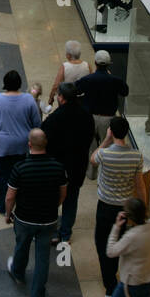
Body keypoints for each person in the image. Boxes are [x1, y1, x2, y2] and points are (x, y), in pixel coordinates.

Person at [4, 128, 67, 297]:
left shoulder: (20, 168)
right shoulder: (57, 167)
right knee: (43, 257)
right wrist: (54, 206)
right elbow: (63, 193)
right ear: (45, 143)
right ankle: (37, 294)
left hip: (25, 218)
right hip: (48, 220)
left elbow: (10, 197)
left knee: (22, 246)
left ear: (29, 144)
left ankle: (18, 272)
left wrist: (8, 214)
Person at [90, 116, 143, 297]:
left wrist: (105, 140)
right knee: (119, 240)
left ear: (111, 131)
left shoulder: (105, 154)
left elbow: (92, 159)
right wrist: (142, 208)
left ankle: (110, 285)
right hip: (125, 208)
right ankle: (117, 272)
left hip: (105, 206)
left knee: (102, 243)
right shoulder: (136, 156)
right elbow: (140, 184)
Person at [0, 70, 42, 214]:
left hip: (0, 146)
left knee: (1, 175)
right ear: (19, 84)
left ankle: (2, 205)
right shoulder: (28, 100)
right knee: (20, 175)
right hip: (22, 145)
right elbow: (37, 122)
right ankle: (19, 203)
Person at [41, 82, 94, 244]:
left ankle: (48, 229)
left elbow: (44, 141)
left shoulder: (55, 118)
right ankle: (65, 234)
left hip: (57, 168)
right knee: (71, 200)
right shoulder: (86, 115)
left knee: (51, 200)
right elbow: (89, 139)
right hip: (77, 167)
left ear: (62, 98)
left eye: (58, 95)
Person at [47, 40, 91, 107]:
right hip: (83, 100)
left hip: (67, 100)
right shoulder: (87, 65)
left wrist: (51, 98)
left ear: (69, 55)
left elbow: (56, 85)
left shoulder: (65, 66)